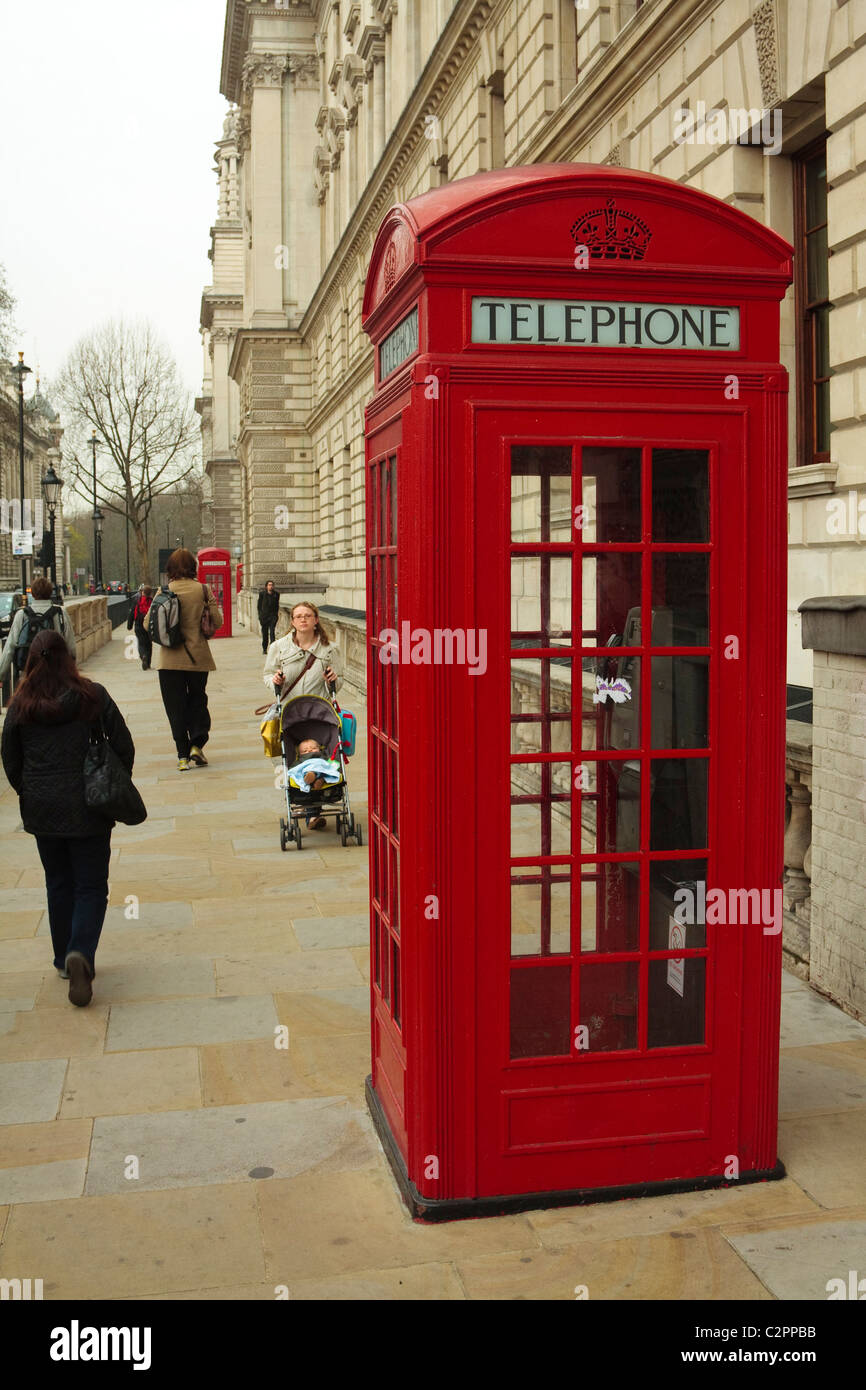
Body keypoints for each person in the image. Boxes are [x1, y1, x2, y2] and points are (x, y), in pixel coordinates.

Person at [0, 630, 135, 1007]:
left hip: (43, 809)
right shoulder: (93, 695)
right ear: (69, 657)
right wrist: (110, 785)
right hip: (89, 805)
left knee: (58, 882)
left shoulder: (21, 703)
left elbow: (10, 757)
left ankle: (63, 959)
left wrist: (28, 791)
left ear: (30, 660)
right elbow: (124, 746)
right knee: (90, 887)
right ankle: (81, 952)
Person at [263, 600, 342, 829]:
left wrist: (334, 681)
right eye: (299, 616)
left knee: (317, 755)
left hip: (319, 714)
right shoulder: (279, 647)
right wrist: (274, 681)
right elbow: (267, 675)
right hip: (290, 714)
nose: (303, 619)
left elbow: (341, 681)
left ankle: (312, 810)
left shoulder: (330, 649)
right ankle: (307, 807)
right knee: (293, 759)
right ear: (293, 622)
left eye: (308, 615)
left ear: (316, 620)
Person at [152, 548, 223, 772]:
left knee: (175, 707)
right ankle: (197, 743)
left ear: (170, 568)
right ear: (194, 566)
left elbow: (147, 625)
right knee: (197, 700)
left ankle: (182, 756)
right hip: (197, 659)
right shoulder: (202, 590)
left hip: (169, 661)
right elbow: (218, 621)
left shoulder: (163, 591)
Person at [0, 575, 76, 684]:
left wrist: (1, 675)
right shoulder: (60, 613)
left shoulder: (22, 614)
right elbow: (71, 648)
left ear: (33, 593)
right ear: (50, 592)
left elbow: (10, 647)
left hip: (28, 676)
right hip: (56, 676)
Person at [127, 585, 154, 669]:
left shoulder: (136, 601)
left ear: (142, 592)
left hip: (138, 625)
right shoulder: (152, 601)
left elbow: (131, 614)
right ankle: (148, 663)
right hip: (148, 625)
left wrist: (129, 625)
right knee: (148, 644)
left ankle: (143, 656)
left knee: (141, 644)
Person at [257, 580, 280, 654]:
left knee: (272, 633)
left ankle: (273, 649)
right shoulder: (262, 594)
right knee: (265, 634)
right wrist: (260, 616)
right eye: (269, 585)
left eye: (272, 585)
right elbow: (259, 606)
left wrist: (276, 616)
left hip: (273, 616)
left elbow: (277, 605)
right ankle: (264, 649)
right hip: (264, 617)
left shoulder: (276, 594)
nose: (271, 586)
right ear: (266, 586)